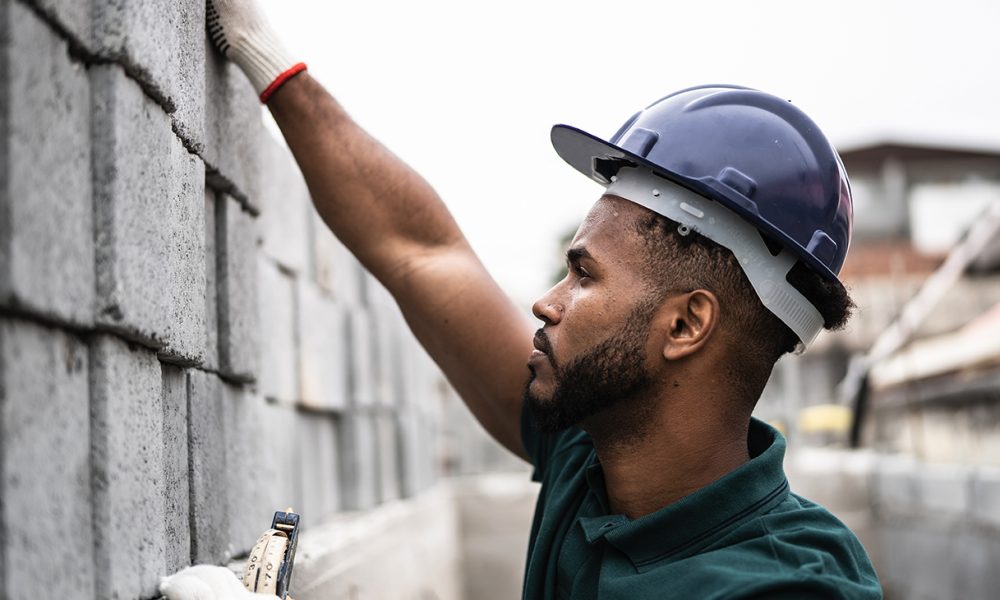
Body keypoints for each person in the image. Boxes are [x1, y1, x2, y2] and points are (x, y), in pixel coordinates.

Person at [166, 1, 882, 598]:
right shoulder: (594, 453)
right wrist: (268, 60)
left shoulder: (786, 588)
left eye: (585, 275)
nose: (546, 302)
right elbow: (421, 251)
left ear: (687, 323)